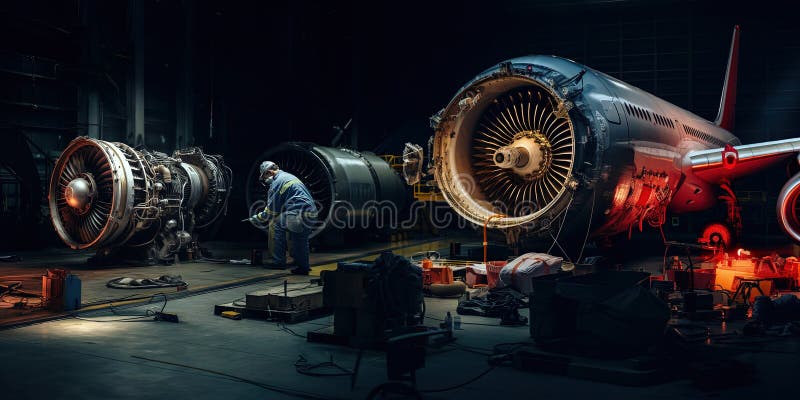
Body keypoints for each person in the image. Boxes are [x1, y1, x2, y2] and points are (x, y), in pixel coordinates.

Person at [250, 161, 317, 275]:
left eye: (264, 176)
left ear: (270, 172)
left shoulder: (277, 183)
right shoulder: (289, 177)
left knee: (276, 224)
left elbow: (271, 211)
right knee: (300, 240)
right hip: (311, 213)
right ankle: (303, 267)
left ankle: (278, 262)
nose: (265, 181)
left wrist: (256, 218)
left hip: (297, 214)